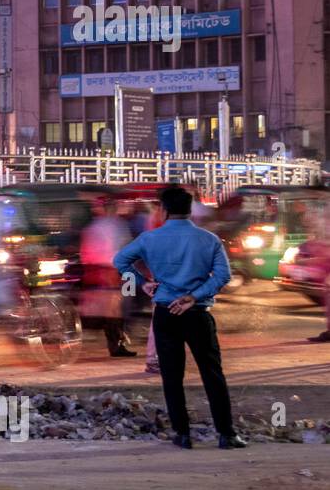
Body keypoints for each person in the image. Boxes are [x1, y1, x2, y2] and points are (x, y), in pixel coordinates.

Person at [113, 185, 245, 449]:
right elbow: (222, 276)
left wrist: (144, 283)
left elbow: (120, 261)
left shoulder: (150, 239)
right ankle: (226, 434)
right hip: (197, 314)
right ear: (189, 209)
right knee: (212, 374)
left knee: (172, 377)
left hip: (165, 314)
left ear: (163, 210)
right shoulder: (209, 239)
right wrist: (193, 297)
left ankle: (182, 434)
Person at [80, 199, 136, 357]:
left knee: (114, 308)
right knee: (117, 308)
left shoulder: (94, 227)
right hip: (114, 270)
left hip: (101, 270)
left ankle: (116, 342)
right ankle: (117, 344)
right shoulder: (118, 226)